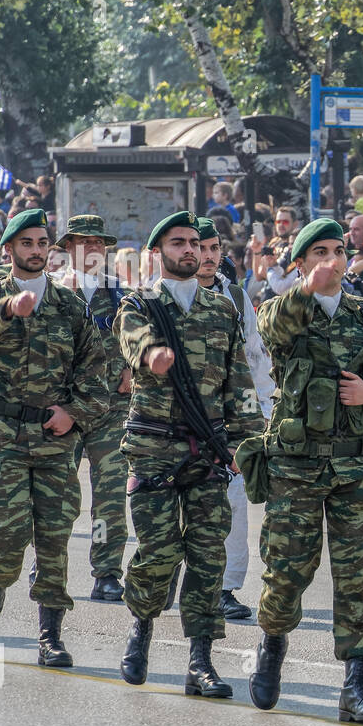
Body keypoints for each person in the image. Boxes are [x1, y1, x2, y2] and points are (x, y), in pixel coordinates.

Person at [248, 219, 363, 716]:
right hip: (295, 468)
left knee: (360, 575)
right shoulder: (284, 309)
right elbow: (269, 328)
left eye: (338, 251)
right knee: (287, 571)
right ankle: (271, 646)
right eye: (319, 252)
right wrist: (307, 290)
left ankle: (357, 684)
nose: (332, 261)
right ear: (299, 263)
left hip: (353, 468)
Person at [114, 211, 262, 698]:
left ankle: (201, 661)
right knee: (158, 553)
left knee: (206, 556)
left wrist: (245, 444)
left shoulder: (221, 310)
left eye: (196, 243)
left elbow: (239, 383)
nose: (190, 250)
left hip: (208, 453)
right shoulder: (139, 305)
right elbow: (132, 339)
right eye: (179, 243)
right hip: (155, 450)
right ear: (159, 253)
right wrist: (151, 356)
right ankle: (141, 632)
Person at [0, 209, 109, 665]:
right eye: (27, 243)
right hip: (4, 433)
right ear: (9, 250)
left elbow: (96, 374)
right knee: (9, 530)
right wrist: (10, 307)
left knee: (54, 533)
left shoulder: (69, 307)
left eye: (42, 243)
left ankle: (51, 634)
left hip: (54, 437)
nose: (36, 251)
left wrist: (74, 412)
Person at [194, 216, 275, 619]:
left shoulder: (237, 298)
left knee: (234, 505)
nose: (206, 257)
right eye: (199, 248)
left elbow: (257, 360)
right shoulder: (159, 298)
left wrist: (261, 415)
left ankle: (226, 587)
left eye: (213, 249)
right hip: (180, 422)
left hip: (231, 422)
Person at [56, 214, 132, 601]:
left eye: (100, 244)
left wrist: (132, 367)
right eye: (86, 242)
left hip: (109, 409)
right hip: (64, 411)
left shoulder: (120, 293)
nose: (94, 250)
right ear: (69, 248)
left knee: (110, 496)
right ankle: (50, 563)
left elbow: (138, 336)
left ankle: (106, 572)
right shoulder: (52, 291)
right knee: (59, 495)